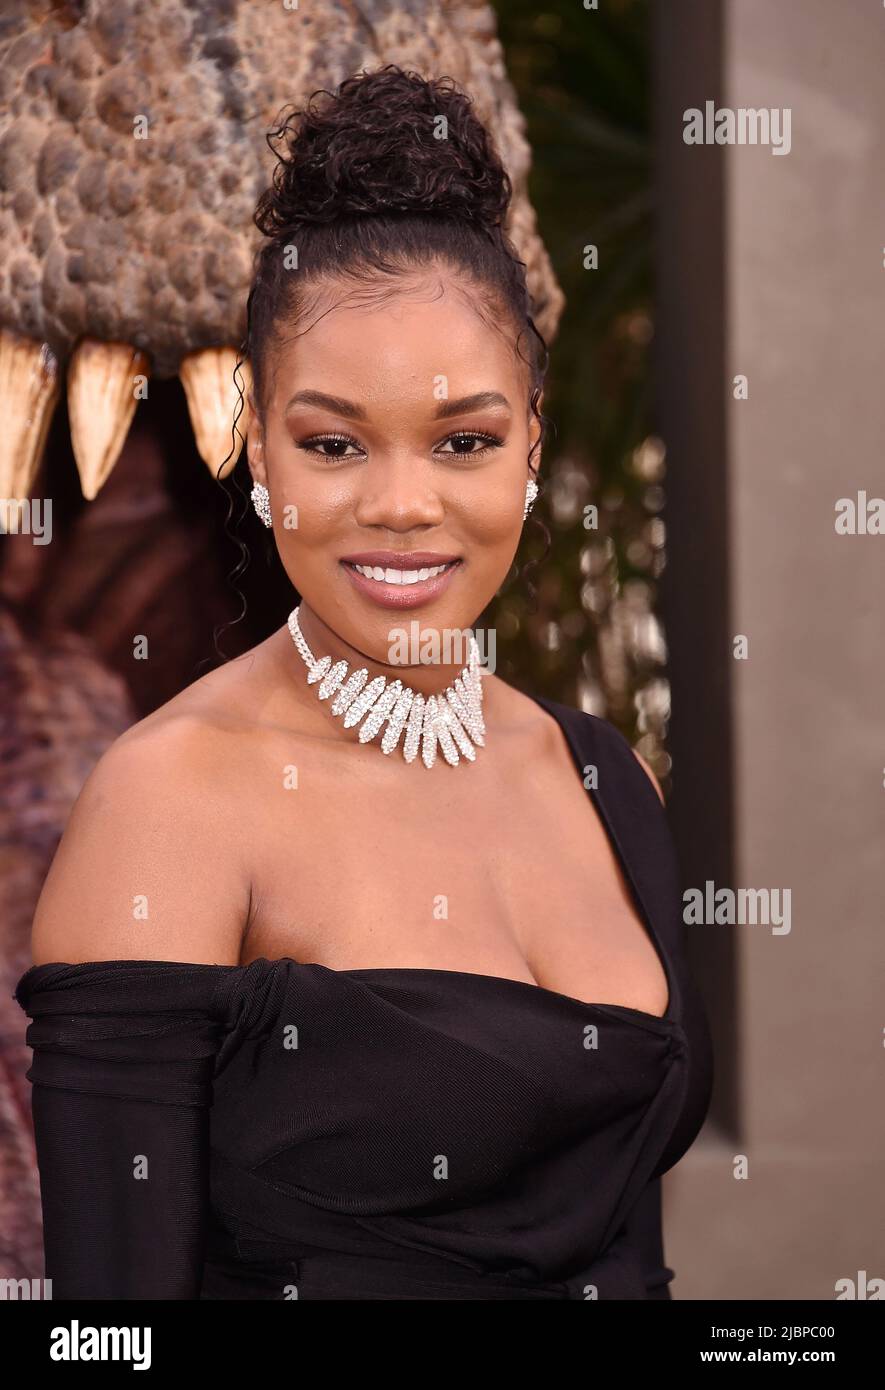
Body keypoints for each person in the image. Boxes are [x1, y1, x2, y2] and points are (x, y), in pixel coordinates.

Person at [14, 65, 713, 1300]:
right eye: (334, 443)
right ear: (262, 452)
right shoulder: (170, 800)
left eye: (465, 442)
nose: (401, 506)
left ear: (532, 446)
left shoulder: (602, 777)